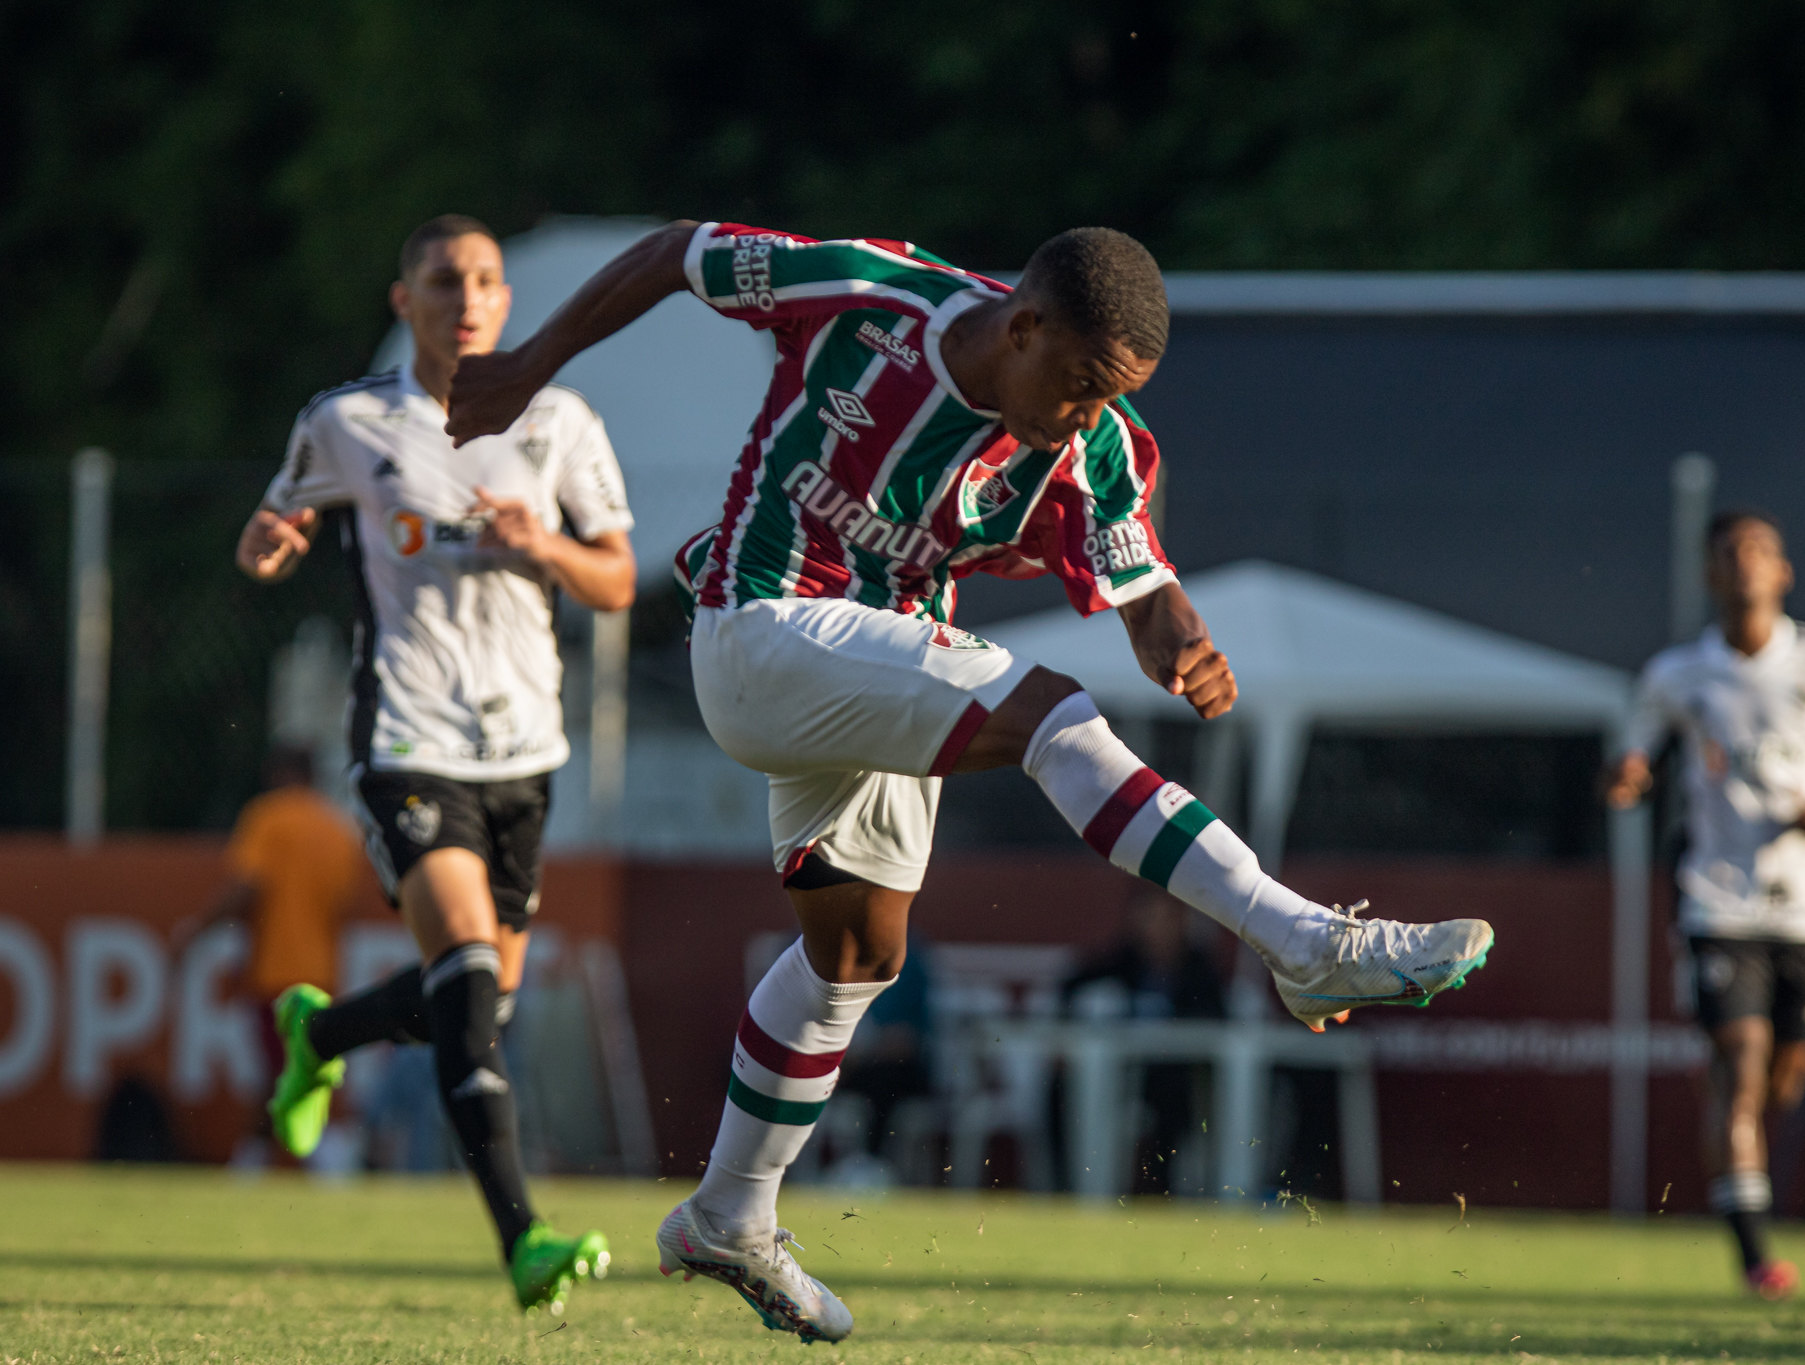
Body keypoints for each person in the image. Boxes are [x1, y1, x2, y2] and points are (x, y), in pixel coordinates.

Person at [445, 217, 1494, 1342]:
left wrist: (1176, 633)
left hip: (867, 669)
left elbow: (1142, 582)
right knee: (1047, 713)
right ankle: (1301, 940)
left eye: (1112, 395)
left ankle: (727, 1214)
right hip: (762, 626)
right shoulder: (865, 293)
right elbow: (672, 253)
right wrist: (526, 362)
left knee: (856, 954)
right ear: (1024, 324)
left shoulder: (1094, 443)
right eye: (1083, 384)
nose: (1087, 414)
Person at [233, 214, 635, 1314]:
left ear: (509, 303)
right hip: (407, 738)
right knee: (463, 968)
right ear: (401, 300)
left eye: (486, 281)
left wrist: (540, 544)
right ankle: (524, 1239)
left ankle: (322, 1031)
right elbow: (276, 518)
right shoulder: (351, 421)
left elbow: (616, 581)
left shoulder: (557, 422)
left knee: (478, 1003)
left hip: (527, 750)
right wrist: (271, 542)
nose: (468, 298)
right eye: (443, 280)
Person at [1609, 509, 1805, 1300]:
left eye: (1760, 550)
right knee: (1739, 1066)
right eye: (1730, 553)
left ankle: (1740, 1140)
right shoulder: (1678, 673)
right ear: (1710, 576)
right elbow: (1634, 750)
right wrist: (1629, 777)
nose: (1745, 563)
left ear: (1783, 573)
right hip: (1718, 897)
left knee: (1784, 1074)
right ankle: (1753, 1252)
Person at [193, 743, 363, 1163]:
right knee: (299, 1067)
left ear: (280, 773)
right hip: (322, 974)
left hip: (276, 973)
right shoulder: (338, 829)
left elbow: (247, 888)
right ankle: (302, 1160)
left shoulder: (267, 818)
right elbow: (347, 908)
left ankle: (303, 1162)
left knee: (281, 1071)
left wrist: (197, 932)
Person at [1062, 888, 1227, 1192]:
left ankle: (1164, 1191)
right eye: (1150, 918)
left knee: (1175, 1099)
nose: (1158, 928)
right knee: (1062, 1088)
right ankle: (1067, 1186)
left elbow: (1217, 1019)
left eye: (1167, 919)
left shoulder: (1198, 970)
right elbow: (1070, 990)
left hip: (1178, 1074)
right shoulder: (1118, 964)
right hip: (1116, 1073)